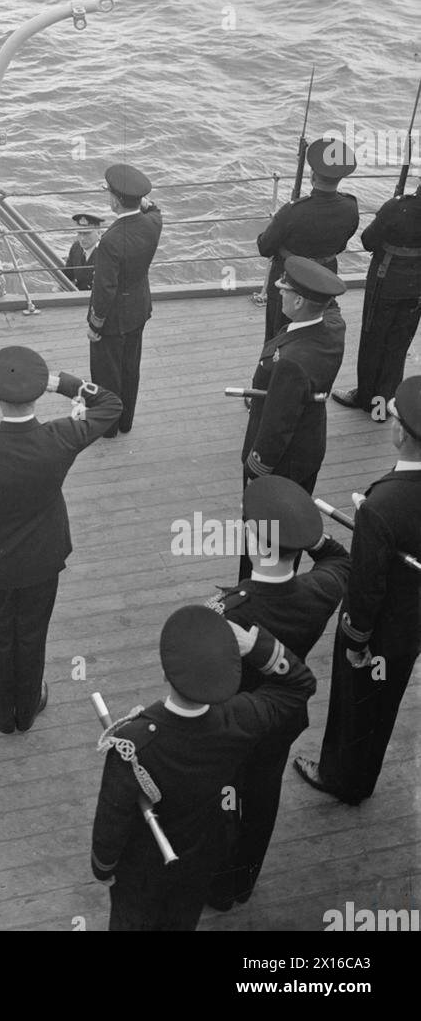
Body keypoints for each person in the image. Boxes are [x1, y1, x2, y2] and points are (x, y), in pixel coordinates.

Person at [89, 605, 316, 932]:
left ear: (167, 672)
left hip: (142, 867)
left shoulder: (134, 743)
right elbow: (299, 684)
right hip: (201, 854)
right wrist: (256, 647)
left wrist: (103, 865)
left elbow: (113, 815)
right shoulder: (241, 719)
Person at [0, 345, 122, 734]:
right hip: (44, 559)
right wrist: (60, 384)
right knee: (33, 632)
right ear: (34, 394)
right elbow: (111, 404)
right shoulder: (61, 436)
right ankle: (27, 708)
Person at [204, 477, 350, 909]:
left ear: (253, 540)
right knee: (263, 797)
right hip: (280, 722)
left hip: (234, 725)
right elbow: (339, 557)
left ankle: (216, 886)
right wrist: (307, 532)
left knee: (222, 802)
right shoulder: (321, 589)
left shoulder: (232, 611)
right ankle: (243, 882)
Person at [294, 375, 421, 805]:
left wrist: (357, 639)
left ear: (400, 432)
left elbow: (366, 586)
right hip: (412, 624)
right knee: (384, 704)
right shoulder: (389, 502)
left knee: (355, 702)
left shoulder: (383, 508)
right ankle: (363, 776)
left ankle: (340, 778)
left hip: (379, 629)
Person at [240, 257, 346, 579]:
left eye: (285, 290)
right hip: (310, 444)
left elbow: (277, 428)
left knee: (265, 532)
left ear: (299, 301)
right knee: (292, 531)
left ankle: (258, 596)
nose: (278, 291)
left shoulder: (292, 362)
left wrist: (256, 469)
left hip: (282, 460)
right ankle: (284, 583)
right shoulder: (331, 327)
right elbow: (332, 308)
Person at [332, 180, 421, 416]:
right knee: (398, 344)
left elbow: (368, 240)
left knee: (373, 341)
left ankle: (367, 399)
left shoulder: (396, 207)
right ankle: (385, 402)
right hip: (416, 287)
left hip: (386, 282)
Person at [86, 164, 162, 437]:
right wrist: (142, 201)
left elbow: (105, 289)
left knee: (107, 375)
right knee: (131, 369)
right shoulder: (154, 223)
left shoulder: (111, 241)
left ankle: (107, 428)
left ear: (115, 201)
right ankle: (125, 422)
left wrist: (95, 325)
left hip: (113, 319)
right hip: (139, 310)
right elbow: (154, 208)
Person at [257, 136, 358, 341]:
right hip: (325, 276)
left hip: (290, 278)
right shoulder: (350, 207)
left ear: (312, 175)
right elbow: (341, 244)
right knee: (314, 331)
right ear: (340, 178)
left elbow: (264, 247)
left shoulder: (293, 211)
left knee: (278, 335)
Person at [63, 212, 103, 292]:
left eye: (86, 234)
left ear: (99, 233)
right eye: (79, 233)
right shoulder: (76, 247)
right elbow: (68, 274)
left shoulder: (106, 252)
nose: (82, 238)